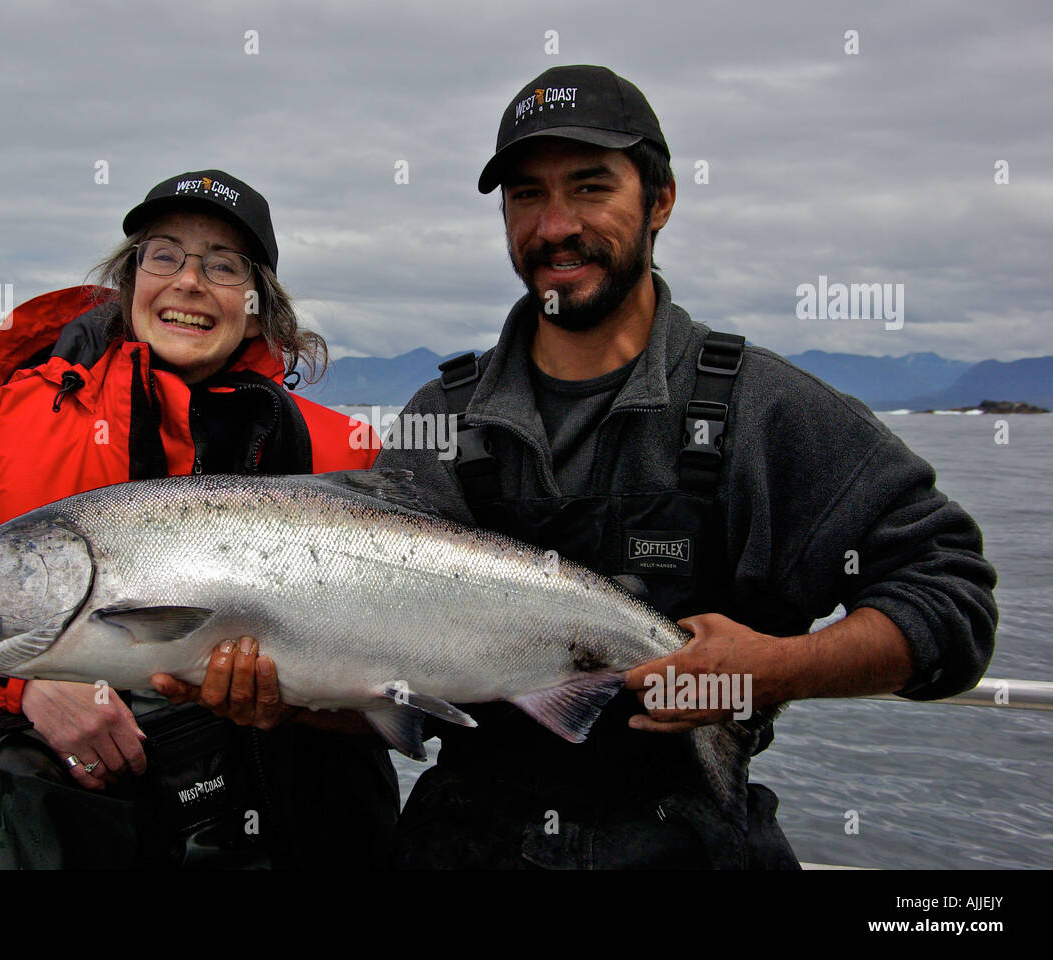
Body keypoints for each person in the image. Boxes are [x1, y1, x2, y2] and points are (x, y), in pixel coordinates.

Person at [375, 65, 998, 869]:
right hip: (461, 843)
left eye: (591, 187)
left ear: (661, 199)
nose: (556, 224)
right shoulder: (439, 416)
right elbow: (390, 690)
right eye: (527, 195)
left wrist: (777, 669)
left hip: (689, 843)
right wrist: (283, 687)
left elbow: (952, 600)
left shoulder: (764, 408)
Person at [0, 168, 399, 869]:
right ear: (130, 279)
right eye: (164, 255)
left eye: (222, 264)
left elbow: (407, 659)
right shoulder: (4, 428)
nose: (188, 281)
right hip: (55, 795)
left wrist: (304, 703)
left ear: (256, 301)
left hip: (273, 788)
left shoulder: (343, 450)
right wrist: (20, 686)